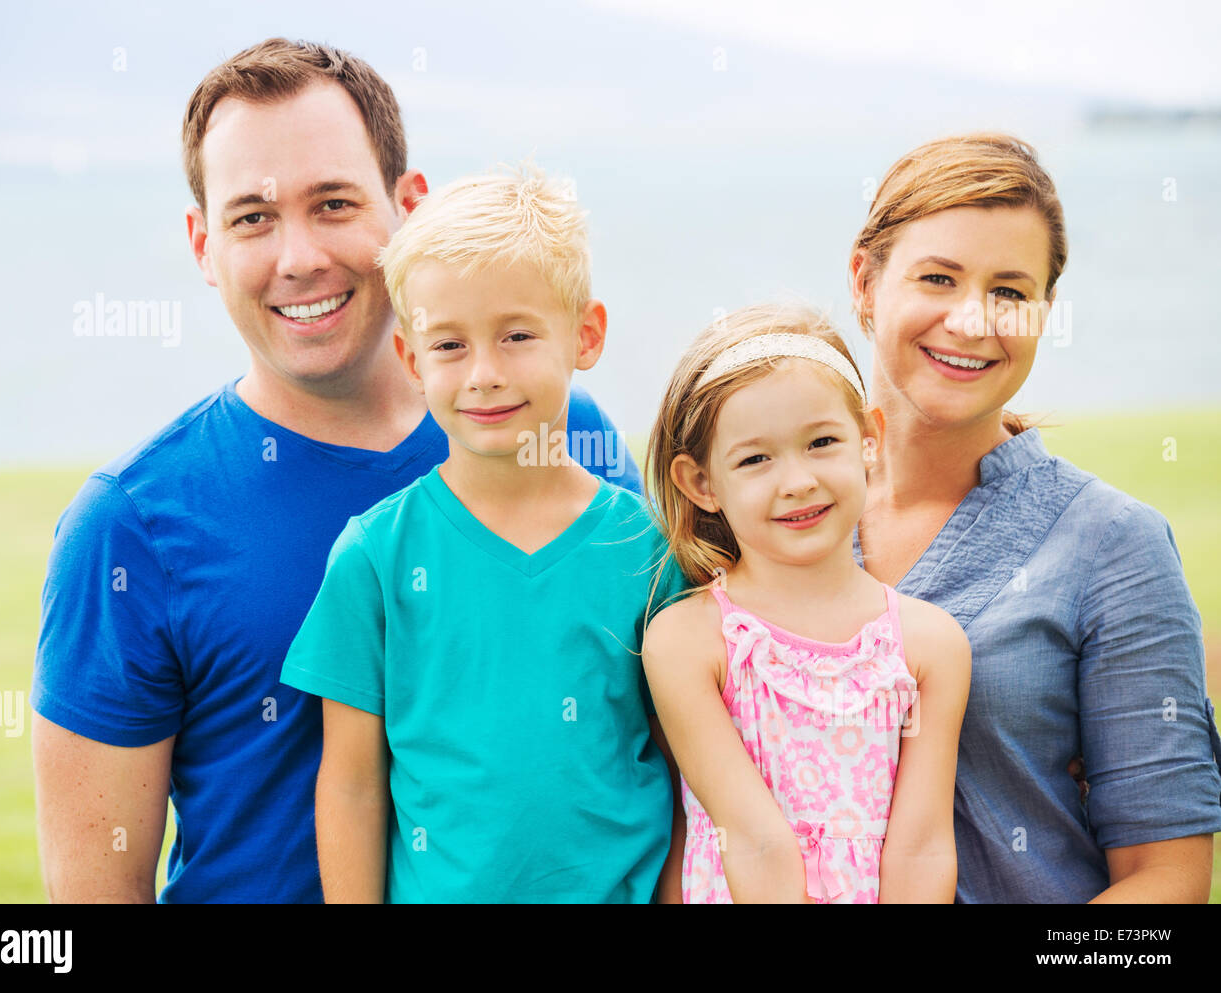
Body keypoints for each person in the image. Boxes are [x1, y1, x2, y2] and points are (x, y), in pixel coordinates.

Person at [30, 39, 644, 904]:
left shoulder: (558, 435)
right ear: (204, 245)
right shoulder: (128, 524)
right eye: (252, 217)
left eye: (333, 203)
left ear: (407, 207)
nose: (299, 257)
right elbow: (93, 893)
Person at [279, 164, 687, 903]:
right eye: (449, 346)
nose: (485, 374)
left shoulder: (651, 551)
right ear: (411, 360)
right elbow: (351, 787)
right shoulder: (374, 557)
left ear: (586, 335)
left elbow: (685, 769)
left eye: (518, 334)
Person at [847, 132, 1221, 903]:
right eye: (939, 277)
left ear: (1044, 313)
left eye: (1010, 292)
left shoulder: (1115, 546)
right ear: (864, 281)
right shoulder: (770, 511)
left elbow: (1168, 879)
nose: (972, 320)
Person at [641, 302, 970, 903]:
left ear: (869, 441)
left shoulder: (929, 644)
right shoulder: (688, 640)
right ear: (702, 483)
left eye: (821, 442)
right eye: (755, 459)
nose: (796, 480)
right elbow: (753, 840)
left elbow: (921, 849)